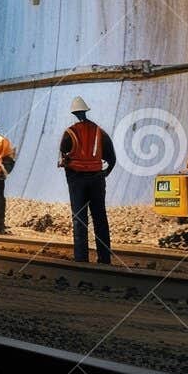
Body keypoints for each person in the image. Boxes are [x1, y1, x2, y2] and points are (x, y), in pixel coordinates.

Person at [58, 96, 116, 264]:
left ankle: (81, 258)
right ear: (85, 111)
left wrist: (71, 175)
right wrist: (104, 173)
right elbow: (111, 158)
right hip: (97, 179)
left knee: (79, 219)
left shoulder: (69, 133)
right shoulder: (99, 131)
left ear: (74, 113)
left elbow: (64, 159)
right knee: (100, 218)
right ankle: (104, 258)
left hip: (77, 180)